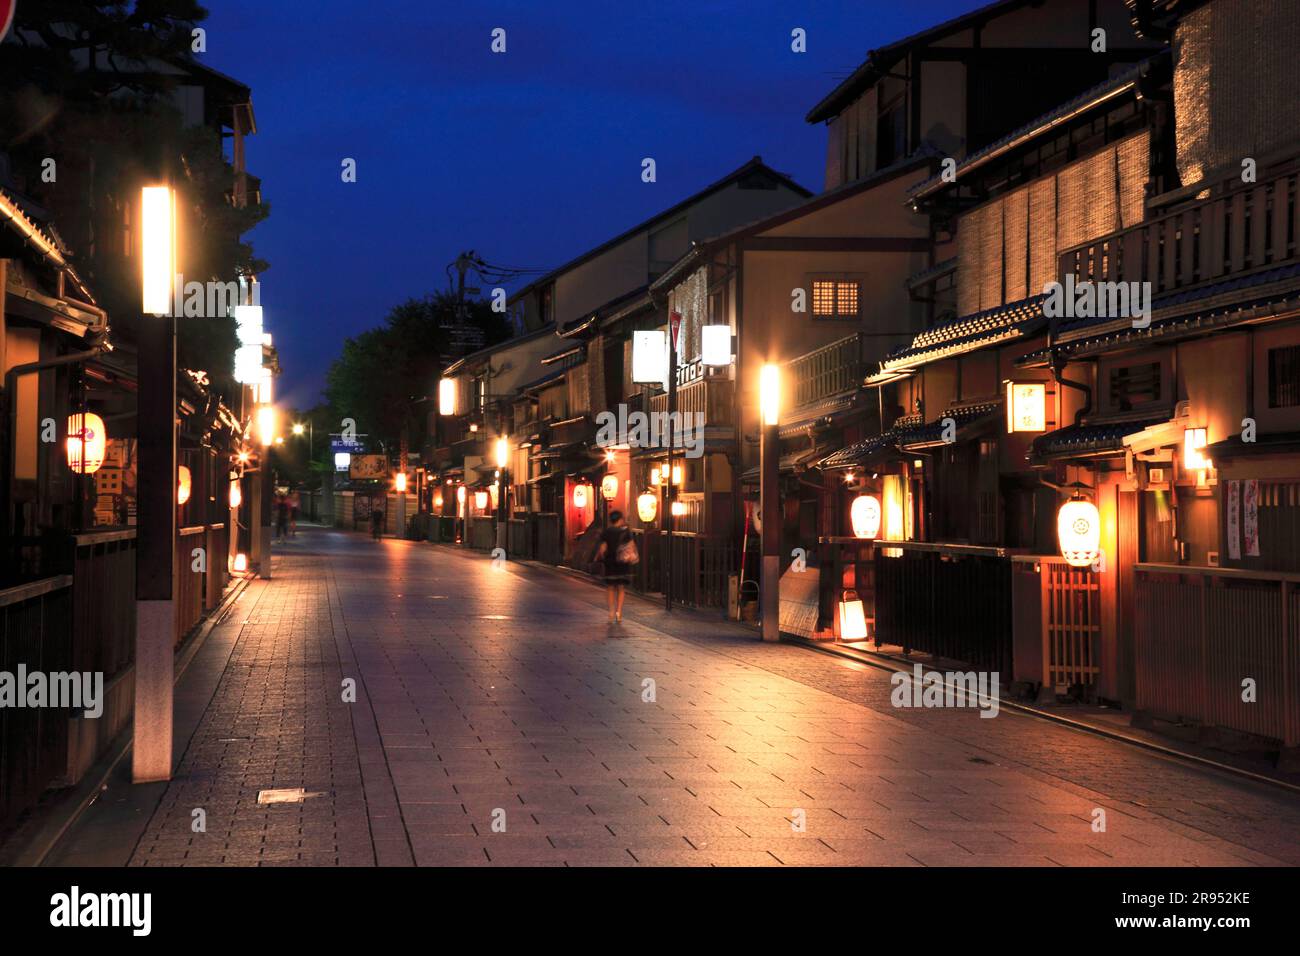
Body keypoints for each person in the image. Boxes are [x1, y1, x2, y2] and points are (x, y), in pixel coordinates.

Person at [594, 510, 635, 623]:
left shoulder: (607, 532)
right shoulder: (626, 532)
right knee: (621, 588)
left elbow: (603, 549)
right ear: (620, 519)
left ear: (611, 520)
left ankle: (611, 612)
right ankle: (619, 612)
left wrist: (599, 556)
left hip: (610, 563)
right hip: (622, 563)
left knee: (611, 588)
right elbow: (630, 547)